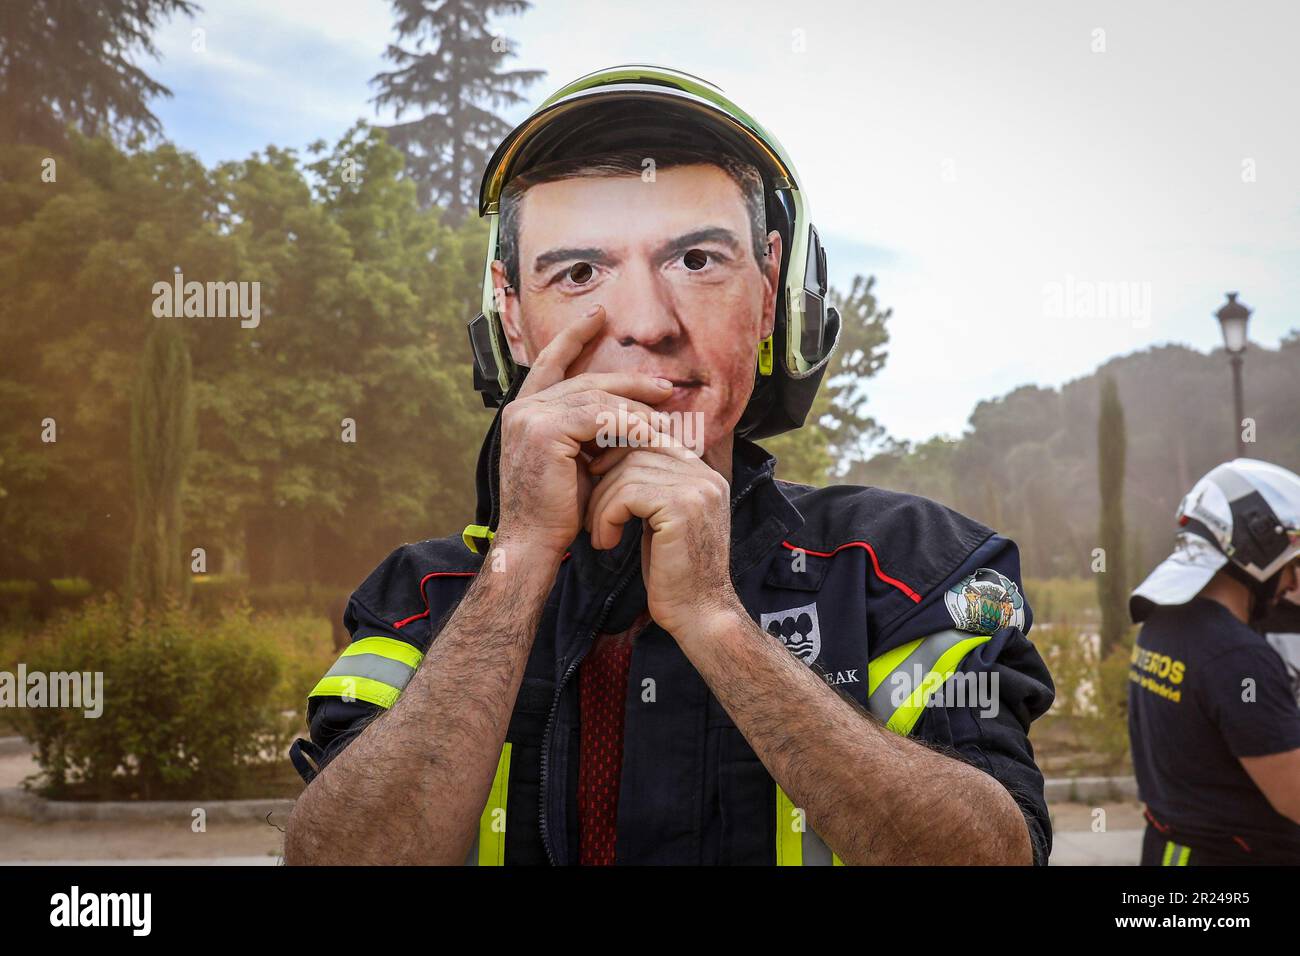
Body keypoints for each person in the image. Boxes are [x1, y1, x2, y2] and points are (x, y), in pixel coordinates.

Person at [283, 65, 1055, 866]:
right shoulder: (417, 601)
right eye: (579, 272)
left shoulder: (914, 569)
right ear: (511, 318)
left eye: (696, 260)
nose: (648, 325)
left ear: (770, 294)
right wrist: (514, 573)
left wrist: (717, 623)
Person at [1128, 458, 1300, 865]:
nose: (1293, 581)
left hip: (1173, 850)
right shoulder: (1238, 656)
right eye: (1291, 564)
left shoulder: (1165, 622)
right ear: (1260, 544)